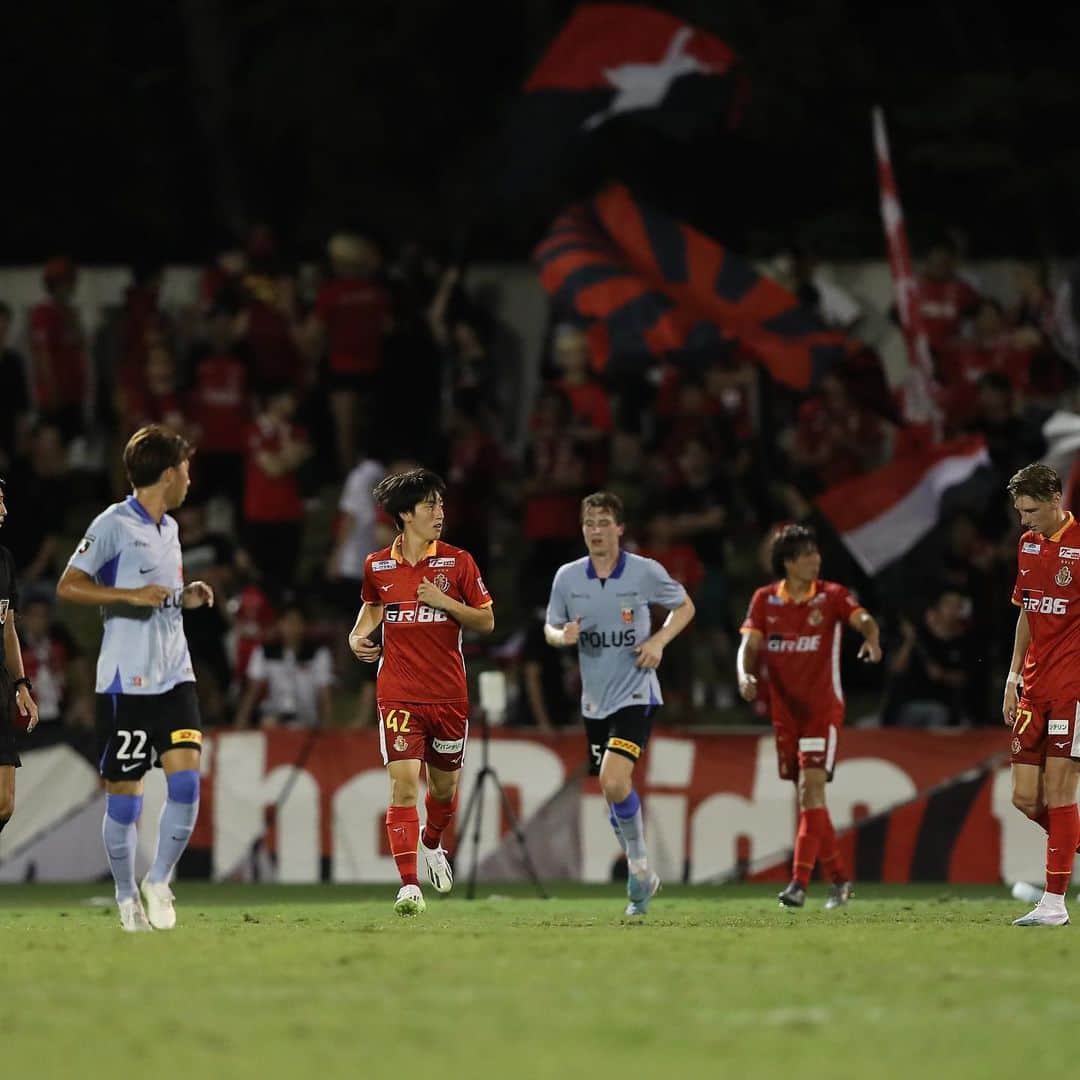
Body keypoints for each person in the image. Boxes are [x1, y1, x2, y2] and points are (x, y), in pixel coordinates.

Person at [55, 426, 214, 932]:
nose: (190, 476)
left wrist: (183, 596)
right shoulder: (113, 525)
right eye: (186, 467)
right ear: (169, 473)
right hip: (126, 684)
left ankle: (159, 881)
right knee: (125, 797)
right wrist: (128, 596)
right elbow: (69, 586)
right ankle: (126, 897)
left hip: (175, 677)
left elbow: (157, 594)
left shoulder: (170, 528)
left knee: (187, 781)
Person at [347, 468, 494, 916]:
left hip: (449, 696)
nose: (440, 512)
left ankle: (433, 842)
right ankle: (409, 887)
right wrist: (356, 638)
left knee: (444, 791)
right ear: (405, 514)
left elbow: (486, 621)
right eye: (430, 505)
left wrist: (445, 602)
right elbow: (371, 609)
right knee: (404, 785)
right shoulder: (377, 566)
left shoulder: (459, 562)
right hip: (398, 694)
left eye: (441, 504)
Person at [544, 491, 696, 916]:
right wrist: (562, 637)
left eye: (603, 523)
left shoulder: (645, 572)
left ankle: (639, 865)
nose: (596, 531)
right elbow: (550, 627)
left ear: (620, 528)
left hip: (637, 692)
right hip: (595, 702)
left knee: (613, 781)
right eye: (589, 523)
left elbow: (684, 607)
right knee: (614, 790)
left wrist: (659, 641)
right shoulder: (568, 578)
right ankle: (642, 875)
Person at [737, 524, 882, 910]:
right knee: (811, 800)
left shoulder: (831, 596)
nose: (815, 559)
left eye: (816, 552)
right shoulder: (765, 600)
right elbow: (748, 644)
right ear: (787, 563)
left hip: (822, 711)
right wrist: (743, 673)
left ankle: (799, 884)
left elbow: (862, 617)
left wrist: (871, 637)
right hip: (786, 716)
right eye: (805, 555)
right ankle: (839, 881)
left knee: (809, 791)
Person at [1002, 463, 1080, 926]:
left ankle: (1053, 902)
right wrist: (1012, 677)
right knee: (1025, 798)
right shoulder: (1027, 546)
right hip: (1034, 686)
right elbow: (1028, 612)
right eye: (1019, 511)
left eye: (1030, 510)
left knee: (1059, 788)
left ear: (1056, 499)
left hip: (1073, 690)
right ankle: (1063, 860)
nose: (1024, 520)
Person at [0, 478, 41, 838]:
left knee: (4, 801)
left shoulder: (4, 560)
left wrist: (20, 684)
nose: (4, 511)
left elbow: (8, 627)